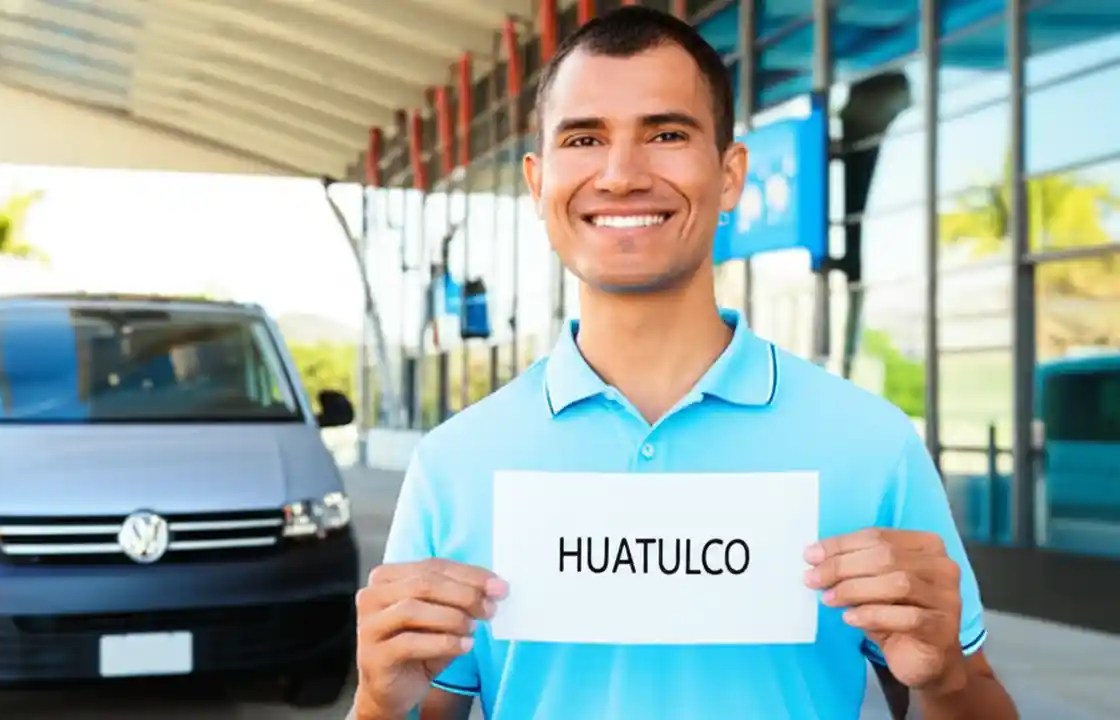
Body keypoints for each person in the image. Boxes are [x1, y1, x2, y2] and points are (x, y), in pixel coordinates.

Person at [351, 7, 1019, 720]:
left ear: (730, 175)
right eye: (585, 138)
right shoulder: (455, 464)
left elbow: (969, 694)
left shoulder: (871, 444)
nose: (621, 174)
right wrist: (376, 704)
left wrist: (946, 680)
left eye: (666, 134)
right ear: (537, 182)